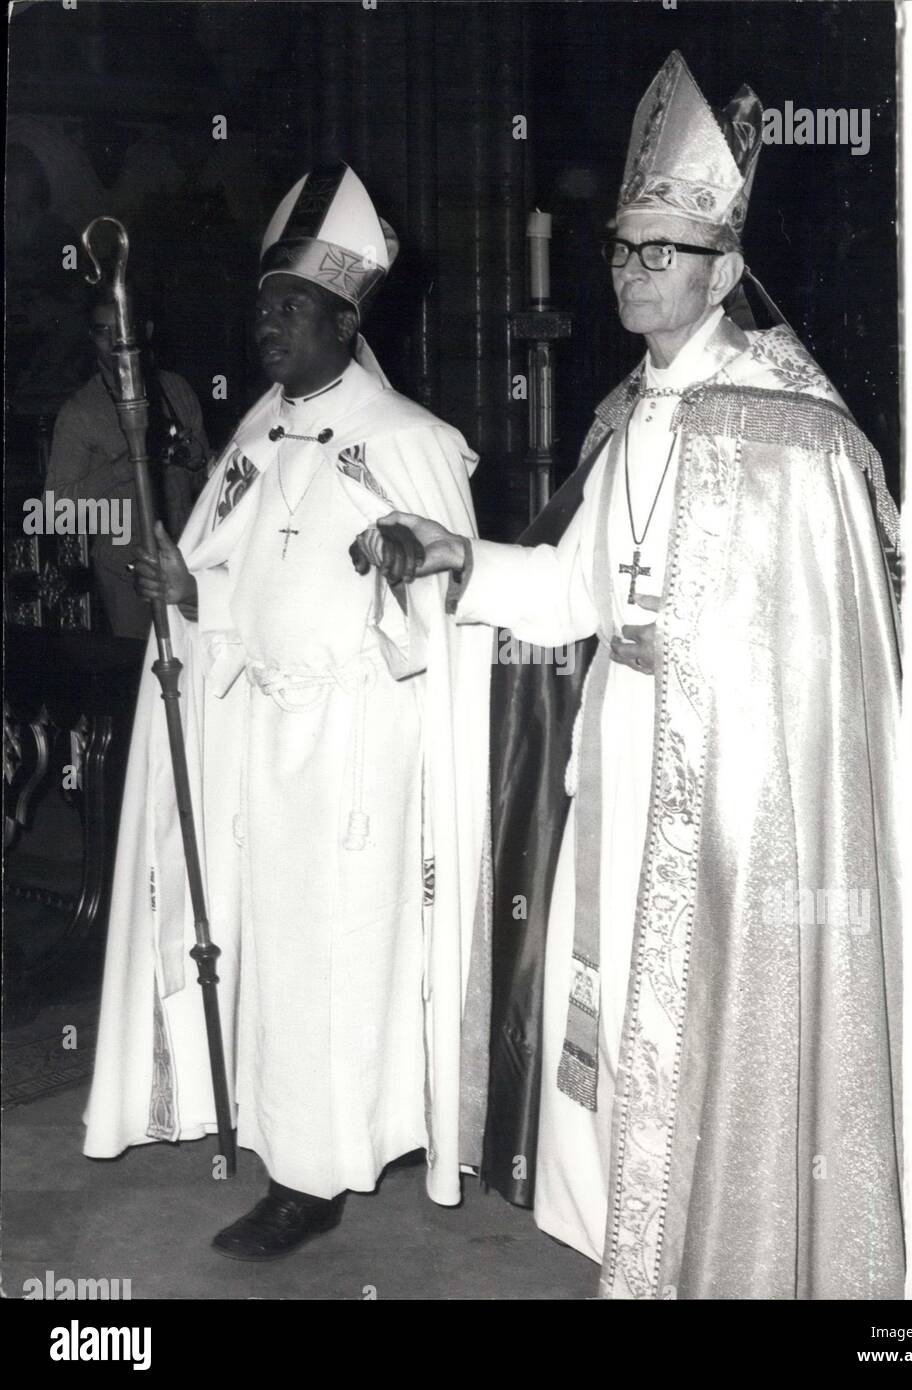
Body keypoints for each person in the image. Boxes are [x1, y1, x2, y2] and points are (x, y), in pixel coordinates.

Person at [355, 52, 904, 1299]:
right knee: (622, 1032)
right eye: (621, 247)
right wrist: (462, 556)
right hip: (626, 771)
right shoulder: (624, 415)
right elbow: (573, 595)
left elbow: (814, 667)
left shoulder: (790, 429)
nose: (629, 270)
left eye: (658, 251)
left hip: (736, 801)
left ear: (721, 270)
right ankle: (644, 1254)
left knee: (719, 1032)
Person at [83, 163, 492, 1261]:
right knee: (265, 946)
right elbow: (241, 573)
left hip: (352, 747)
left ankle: (309, 1177)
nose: (268, 325)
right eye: (263, 306)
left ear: (344, 317)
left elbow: (449, 619)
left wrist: (395, 592)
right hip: (258, 732)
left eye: (292, 308)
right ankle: (281, 1136)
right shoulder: (261, 427)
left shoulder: (407, 439)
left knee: (329, 957)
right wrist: (189, 591)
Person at [45, 290, 210, 639]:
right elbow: (57, 509)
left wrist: (192, 456)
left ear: (145, 330)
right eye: (103, 331)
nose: (115, 341)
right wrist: (122, 469)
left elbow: (206, 480)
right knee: (141, 677)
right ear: (92, 337)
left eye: (123, 328)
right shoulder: (80, 412)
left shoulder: (177, 389)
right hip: (127, 576)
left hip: (189, 565)